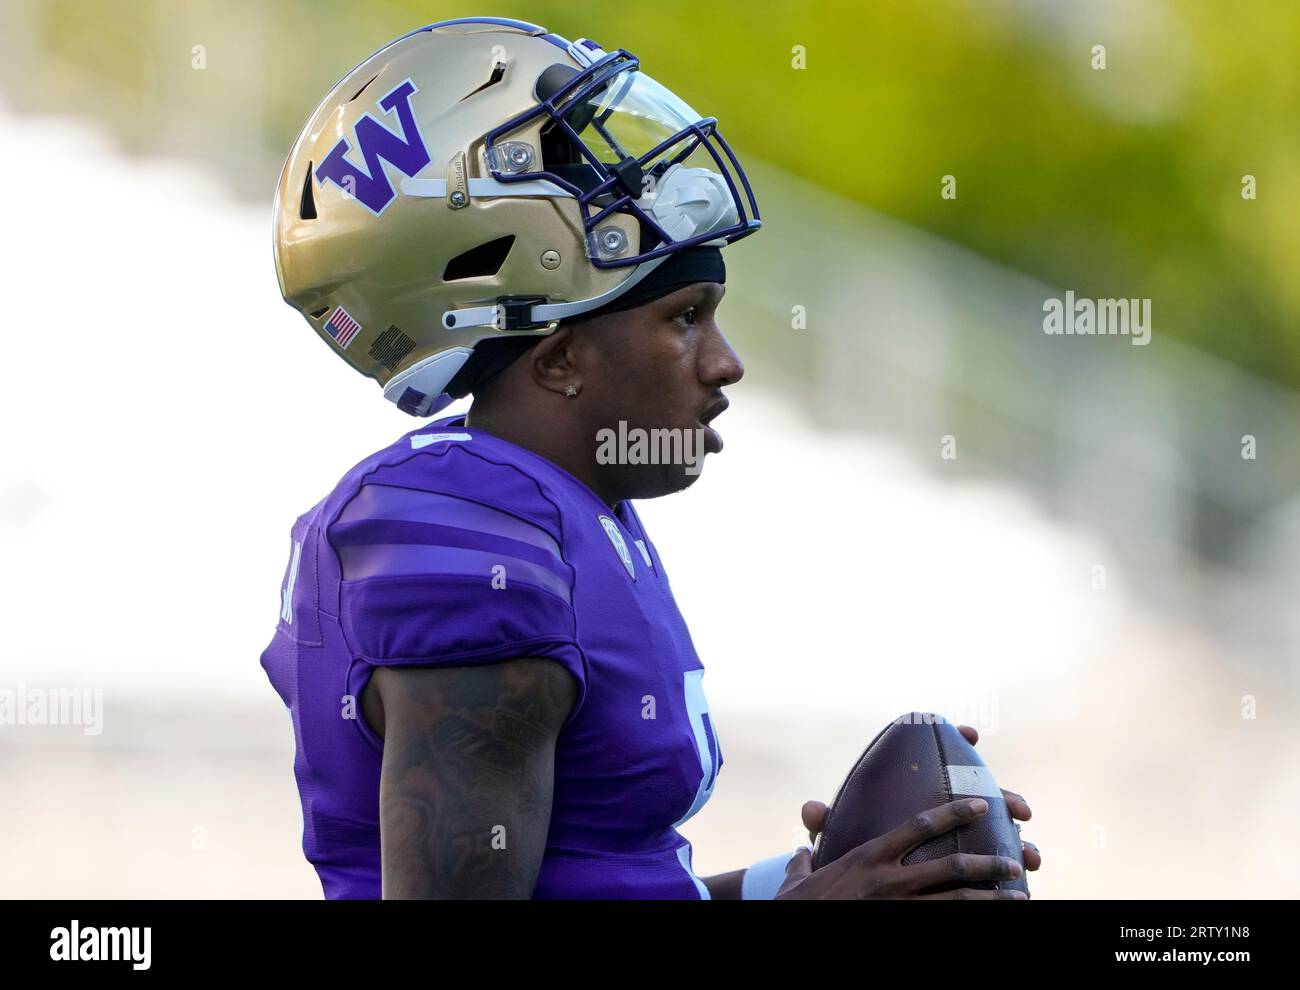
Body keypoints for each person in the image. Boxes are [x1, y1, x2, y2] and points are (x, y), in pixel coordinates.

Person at [260, 16, 1040, 899]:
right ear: (557, 358)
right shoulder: (469, 524)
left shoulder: (565, 510)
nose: (725, 362)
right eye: (683, 318)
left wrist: (809, 880)